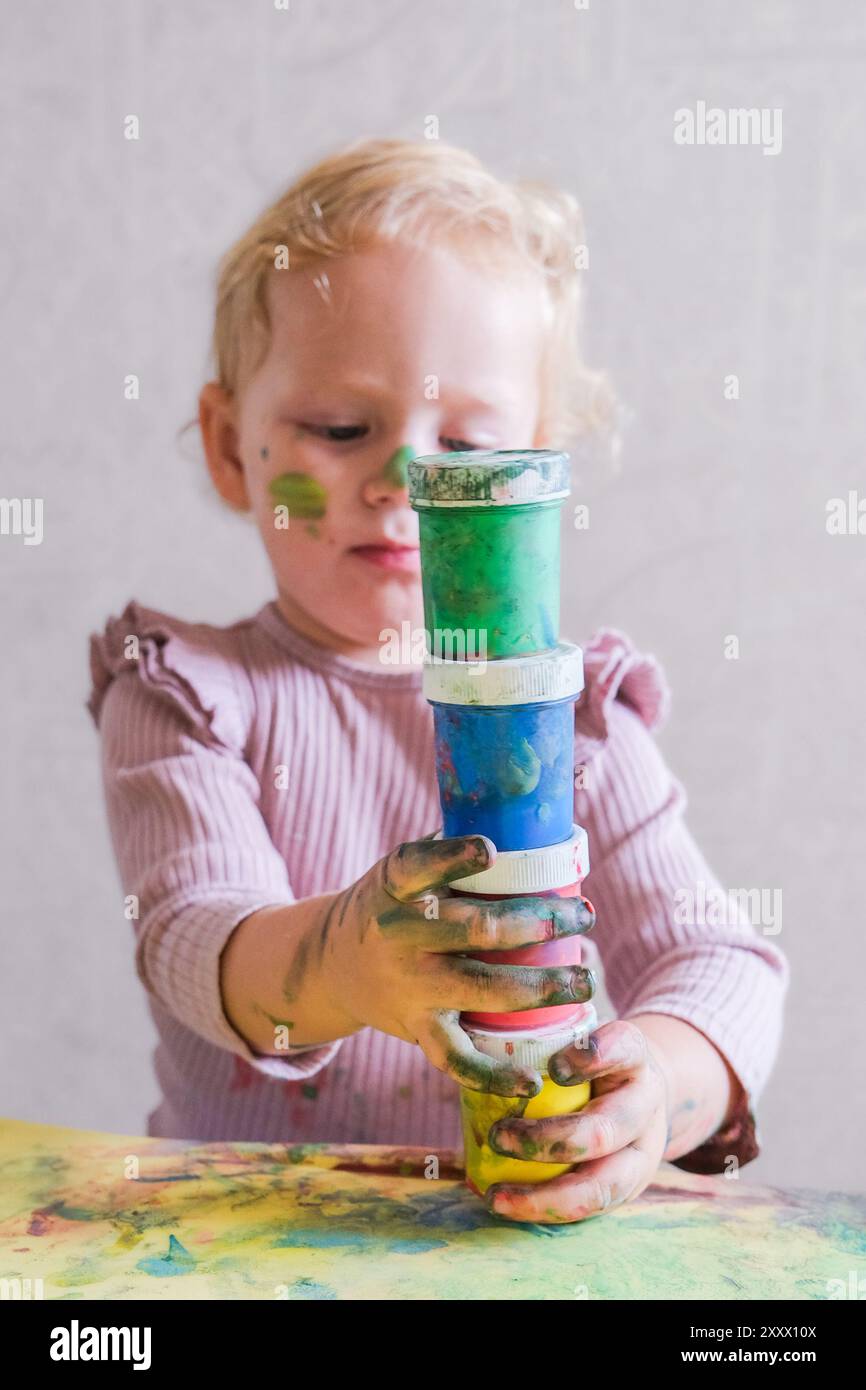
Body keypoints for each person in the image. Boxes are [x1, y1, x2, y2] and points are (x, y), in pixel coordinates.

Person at [87, 138, 788, 1224]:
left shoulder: (575, 717)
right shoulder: (191, 695)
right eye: (338, 428)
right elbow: (195, 941)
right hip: (247, 1241)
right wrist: (344, 963)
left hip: (505, 1236)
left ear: (539, 473)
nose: (409, 482)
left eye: (467, 442)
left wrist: (655, 1085)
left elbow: (719, 962)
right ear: (233, 450)